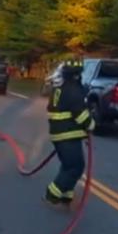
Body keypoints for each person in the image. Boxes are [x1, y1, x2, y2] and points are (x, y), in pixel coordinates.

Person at [45, 59, 95, 207]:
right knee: (75, 167)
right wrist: (91, 125)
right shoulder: (73, 89)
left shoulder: (60, 87)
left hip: (59, 133)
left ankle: (66, 194)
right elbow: (80, 114)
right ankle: (53, 194)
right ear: (77, 74)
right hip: (68, 134)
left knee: (68, 165)